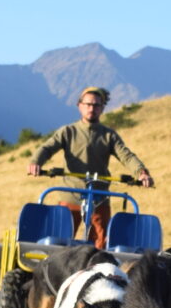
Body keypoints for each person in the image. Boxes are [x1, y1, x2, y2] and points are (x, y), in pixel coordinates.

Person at [28, 86, 154, 247]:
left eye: (96, 105)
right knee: (60, 243)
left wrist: (141, 172)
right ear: (79, 106)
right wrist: (36, 162)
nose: (91, 109)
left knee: (101, 244)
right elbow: (47, 148)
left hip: (99, 198)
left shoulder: (109, 135)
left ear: (102, 108)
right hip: (71, 195)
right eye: (88, 104)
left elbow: (126, 156)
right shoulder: (68, 131)